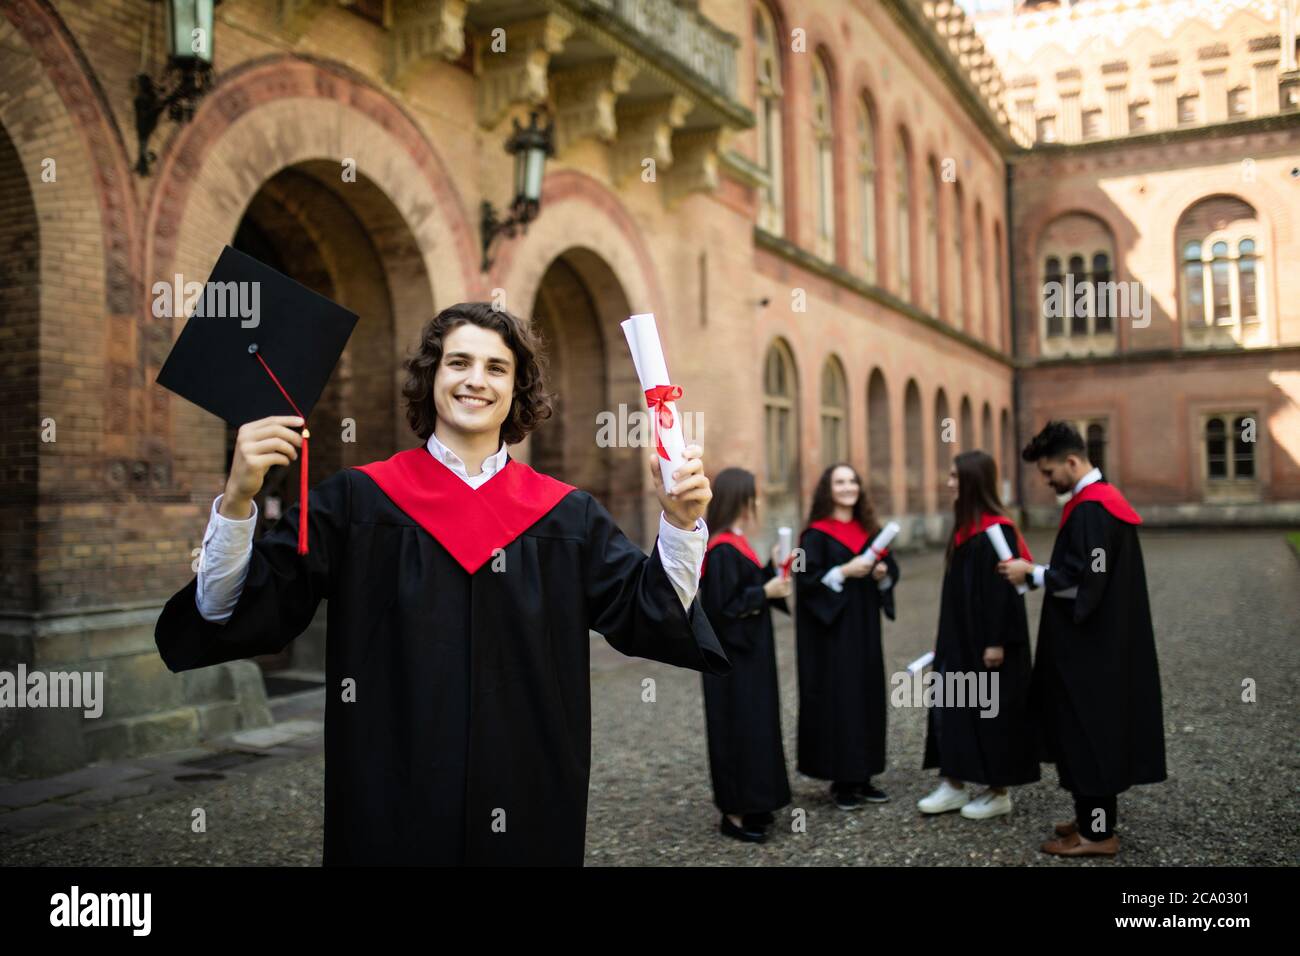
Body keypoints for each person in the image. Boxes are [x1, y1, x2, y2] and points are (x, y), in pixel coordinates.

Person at [155, 302, 728, 865]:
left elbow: (653, 613)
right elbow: (229, 609)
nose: (475, 380)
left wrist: (679, 523)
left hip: (526, 787)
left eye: (496, 367)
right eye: (458, 363)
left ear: (517, 389)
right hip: (390, 788)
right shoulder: (356, 502)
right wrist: (237, 500)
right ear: (432, 377)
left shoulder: (567, 518)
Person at [999, 420, 1166, 857]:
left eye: (1049, 471)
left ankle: (1097, 835)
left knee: (1088, 734)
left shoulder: (1092, 509)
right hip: (1101, 643)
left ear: (1072, 461)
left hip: (1088, 648)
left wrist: (1030, 574)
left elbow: (1087, 579)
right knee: (1090, 733)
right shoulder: (1099, 500)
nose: (1047, 480)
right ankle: (1091, 819)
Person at [918, 450, 1040, 821]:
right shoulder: (964, 526)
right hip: (960, 637)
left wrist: (997, 641)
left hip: (990, 642)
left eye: (955, 476)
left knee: (992, 712)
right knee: (953, 705)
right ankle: (953, 783)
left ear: (972, 481)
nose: (949, 482)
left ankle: (997, 790)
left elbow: (1006, 592)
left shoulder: (996, 529)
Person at [794, 463, 899, 810]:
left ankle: (865, 775)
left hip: (865, 628)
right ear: (828, 489)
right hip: (833, 636)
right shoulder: (813, 535)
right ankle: (842, 781)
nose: (847, 487)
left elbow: (890, 571)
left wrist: (883, 573)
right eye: (840, 482)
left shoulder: (870, 530)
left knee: (866, 695)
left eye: (852, 480)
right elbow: (804, 583)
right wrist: (842, 571)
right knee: (841, 700)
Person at [699, 468, 793, 843]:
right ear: (741, 499)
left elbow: (745, 590)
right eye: (752, 495)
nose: (757, 502)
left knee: (758, 726)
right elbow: (721, 608)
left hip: (751, 656)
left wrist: (770, 569)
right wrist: (765, 592)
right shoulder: (721, 548)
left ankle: (757, 801)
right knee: (738, 728)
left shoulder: (736, 542)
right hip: (732, 661)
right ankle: (734, 813)